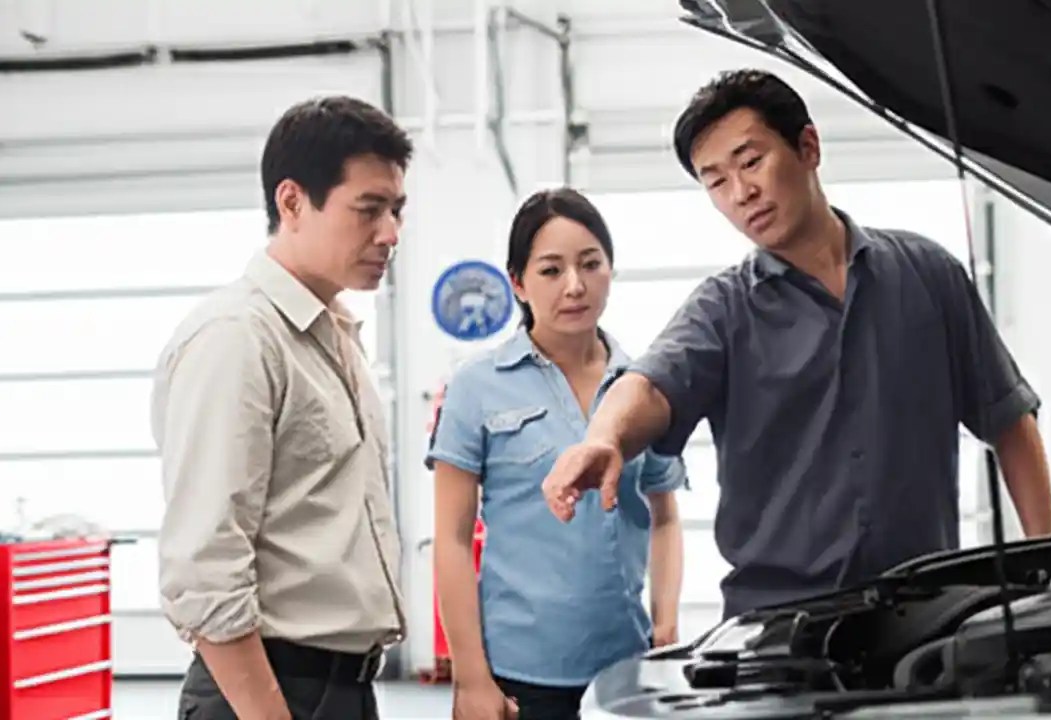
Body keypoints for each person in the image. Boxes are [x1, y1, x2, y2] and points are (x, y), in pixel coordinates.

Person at [541, 69, 1051, 621]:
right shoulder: (723, 310)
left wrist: (1047, 572)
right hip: (783, 629)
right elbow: (648, 385)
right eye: (716, 181)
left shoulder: (929, 276)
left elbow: (1009, 421)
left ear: (808, 146)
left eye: (751, 161)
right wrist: (604, 437)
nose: (742, 194)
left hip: (926, 619)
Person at [150, 95, 411, 720]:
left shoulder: (334, 337)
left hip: (341, 686)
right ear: (291, 202)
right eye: (368, 209)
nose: (391, 233)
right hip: (270, 690)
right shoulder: (238, 337)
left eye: (398, 209)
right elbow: (205, 562)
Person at [427, 188, 687, 720]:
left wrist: (665, 625)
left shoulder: (644, 387)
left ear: (611, 270)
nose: (575, 286)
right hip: (517, 678)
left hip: (624, 671)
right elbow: (452, 541)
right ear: (518, 282)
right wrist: (472, 679)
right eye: (551, 270)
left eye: (591, 264)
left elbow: (664, 518)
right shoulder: (476, 387)